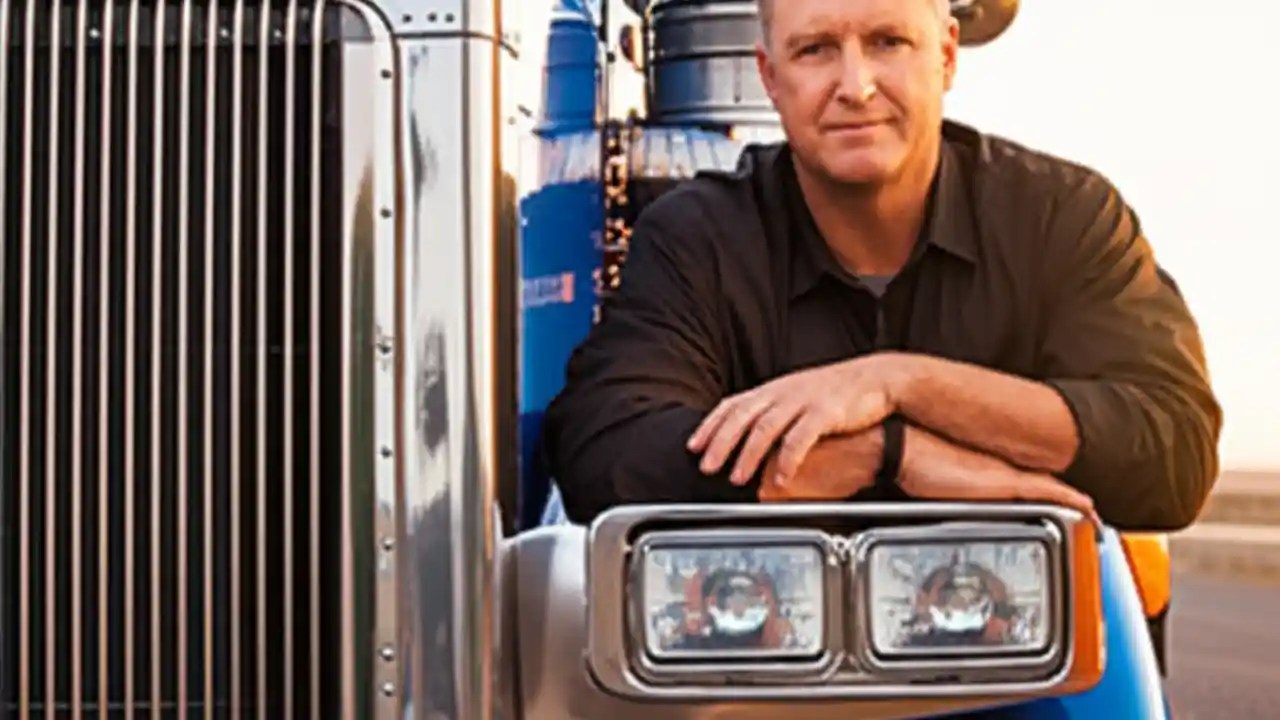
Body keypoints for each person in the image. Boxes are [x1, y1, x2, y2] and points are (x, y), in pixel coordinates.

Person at [541, 0, 1221, 530]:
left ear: (946, 56)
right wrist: (892, 453)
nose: (855, 86)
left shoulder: (1063, 216)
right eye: (815, 50)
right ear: (770, 78)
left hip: (1023, 661)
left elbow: (1174, 453)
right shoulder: (698, 238)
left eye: (888, 42)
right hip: (762, 659)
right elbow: (604, 453)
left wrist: (901, 383)